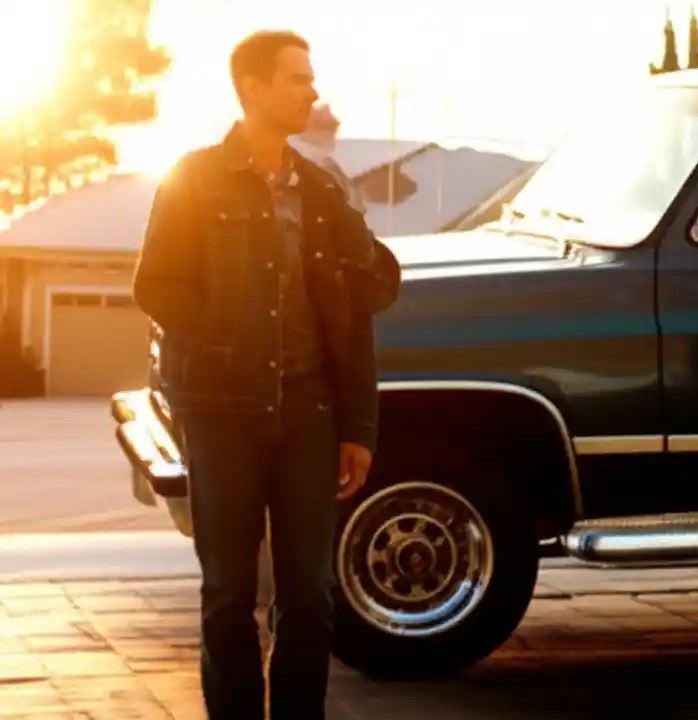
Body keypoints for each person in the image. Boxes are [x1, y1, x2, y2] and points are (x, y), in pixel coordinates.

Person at [131, 29, 401, 719]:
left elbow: (367, 298)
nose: (313, 91)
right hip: (220, 414)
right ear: (253, 88)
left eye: (311, 78)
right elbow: (157, 286)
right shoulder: (193, 176)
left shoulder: (320, 188)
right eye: (297, 79)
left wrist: (359, 427)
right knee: (227, 594)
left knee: (310, 596)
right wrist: (221, 339)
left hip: (309, 414)